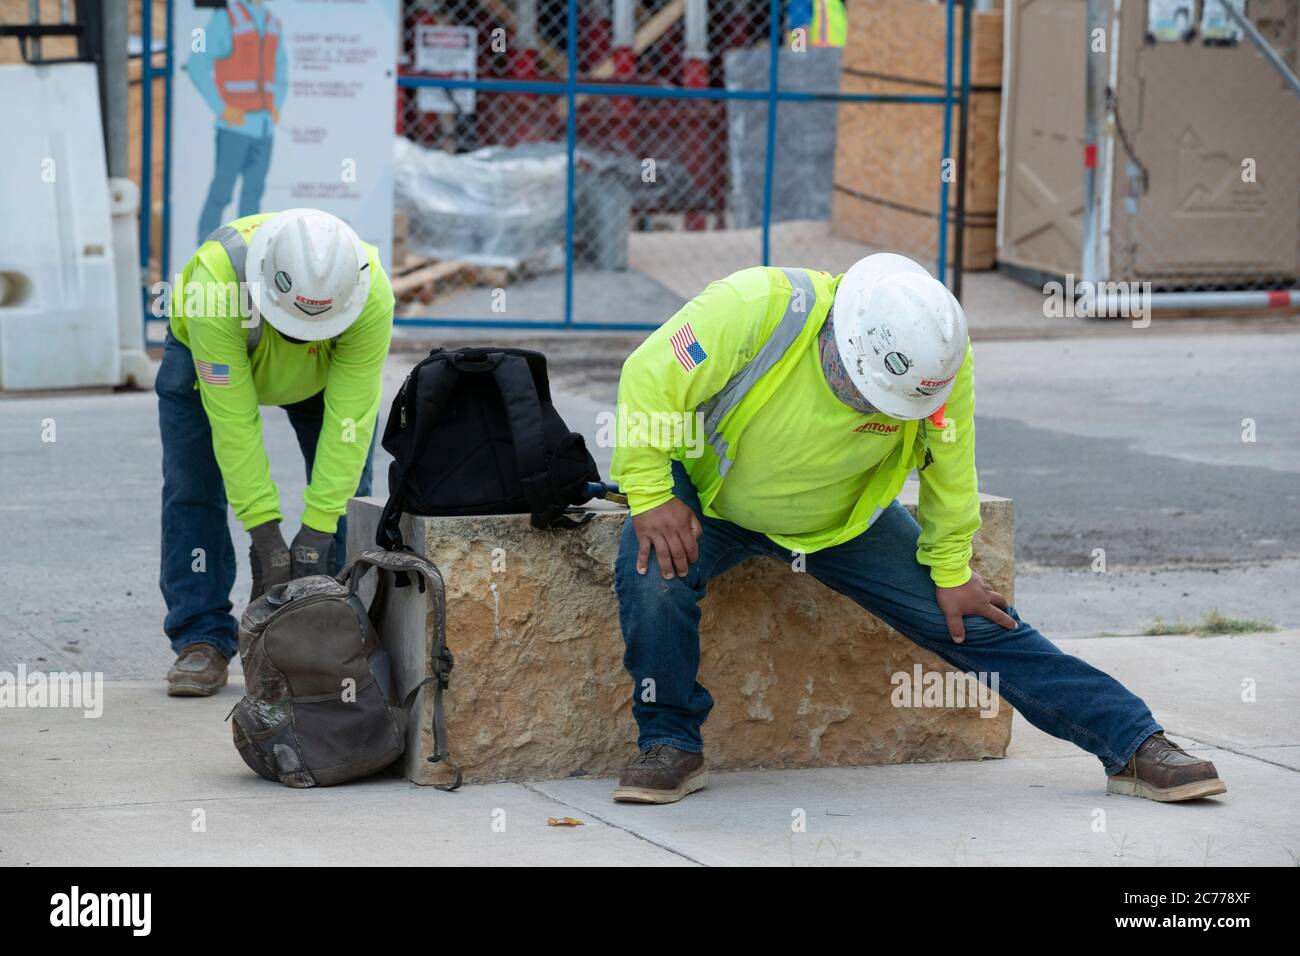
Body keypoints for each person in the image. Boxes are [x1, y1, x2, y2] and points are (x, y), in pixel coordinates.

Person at [608, 254, 1226, 805]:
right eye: (864, 392)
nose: (874, 411)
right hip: (710, 499)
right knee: (651, 572)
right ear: (837, 338)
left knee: (971, 618)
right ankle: (670, 744)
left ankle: (1134, 743)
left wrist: (952, 569)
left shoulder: (939, 369)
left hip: (842, 521)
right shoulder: (756, 307)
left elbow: (952, 471)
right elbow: (649, 377)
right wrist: (651, 494)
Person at [157, 208, 394, 697]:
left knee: (348, 502)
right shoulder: (214, 285)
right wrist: (265, 534)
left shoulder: (370, 292)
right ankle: (201, 636)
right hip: (207, 356)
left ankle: (332, 635)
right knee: (193, 488)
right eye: (294, 327)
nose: (301, 337)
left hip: (321, 376)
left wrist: (316, 533)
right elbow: (234, 424)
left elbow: (349, 427)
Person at [188, 0, 286, 244]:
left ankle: (249, 251)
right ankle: (205, 249)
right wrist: (221, 108)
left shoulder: (272, 22)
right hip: (235, 129)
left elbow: (281, 68)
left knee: (253, 195)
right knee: (221, 193)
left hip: (264, 128)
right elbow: (196, 63)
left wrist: (277, 104)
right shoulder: (227, 18)